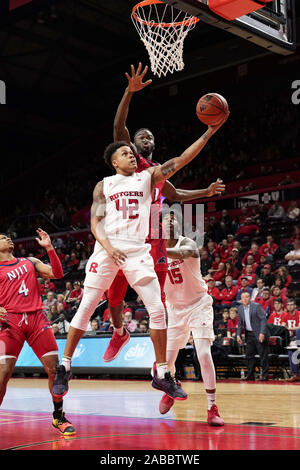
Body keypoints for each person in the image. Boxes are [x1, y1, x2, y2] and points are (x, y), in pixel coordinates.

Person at [52, 108, 229, 400]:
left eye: (132, 153)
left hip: (138, 251)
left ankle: (162, 374)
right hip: (108, 250)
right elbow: (95, 222)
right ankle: (65, 367)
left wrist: (209, 132)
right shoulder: (104, 185)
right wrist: (108, 247)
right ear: (114, 161)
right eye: (125, 152)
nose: (131, 155)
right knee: (88, 306)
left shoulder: (148, 177)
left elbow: (182, 160)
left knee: (157, 310)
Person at [103, 63, 226, 364]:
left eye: (149, 137)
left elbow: (175, 195)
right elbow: (119, 127)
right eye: (139, 136)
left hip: (155, 239)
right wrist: (128, 93)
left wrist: (205, 193)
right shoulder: (130, 163)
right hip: (127, 235)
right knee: (114, 297)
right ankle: (120, 332)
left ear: (153, 145)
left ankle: (164, 368)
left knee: (158, 302)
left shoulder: (157, 175)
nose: (144, 139)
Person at [0, 229, 75, 435]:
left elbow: (57, 274)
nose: (7, 237)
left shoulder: (29, 261)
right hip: (10, 323)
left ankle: (58, 417)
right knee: (3, 373)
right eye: (1, 237)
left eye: (8, 236)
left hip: (37, 319)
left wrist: (50, 248)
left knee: (54, 371)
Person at [158, 211, 224, 426]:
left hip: (198, 305)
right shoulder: (153, 252)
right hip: (175, 309)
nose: (170, 220)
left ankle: (212, 407)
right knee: (164, 365)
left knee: (203, 353)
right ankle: (172, 386)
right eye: (165, 218)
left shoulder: (189, 245)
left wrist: (152, 250)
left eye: (174, 218)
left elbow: (180, 253)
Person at [237, 291, 269, 381]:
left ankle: (265, 375)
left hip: (259, 333)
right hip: (249, 334)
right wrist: (238, 335)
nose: (245, 299)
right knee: (249, 355)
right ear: (241, 299)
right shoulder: (240, 308)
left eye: (247, 297)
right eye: (243, 297)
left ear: (250, 298)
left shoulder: (256, 306)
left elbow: (263, 320)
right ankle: (250, 374)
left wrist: (262, 333)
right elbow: (239, 324)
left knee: (263, 355)